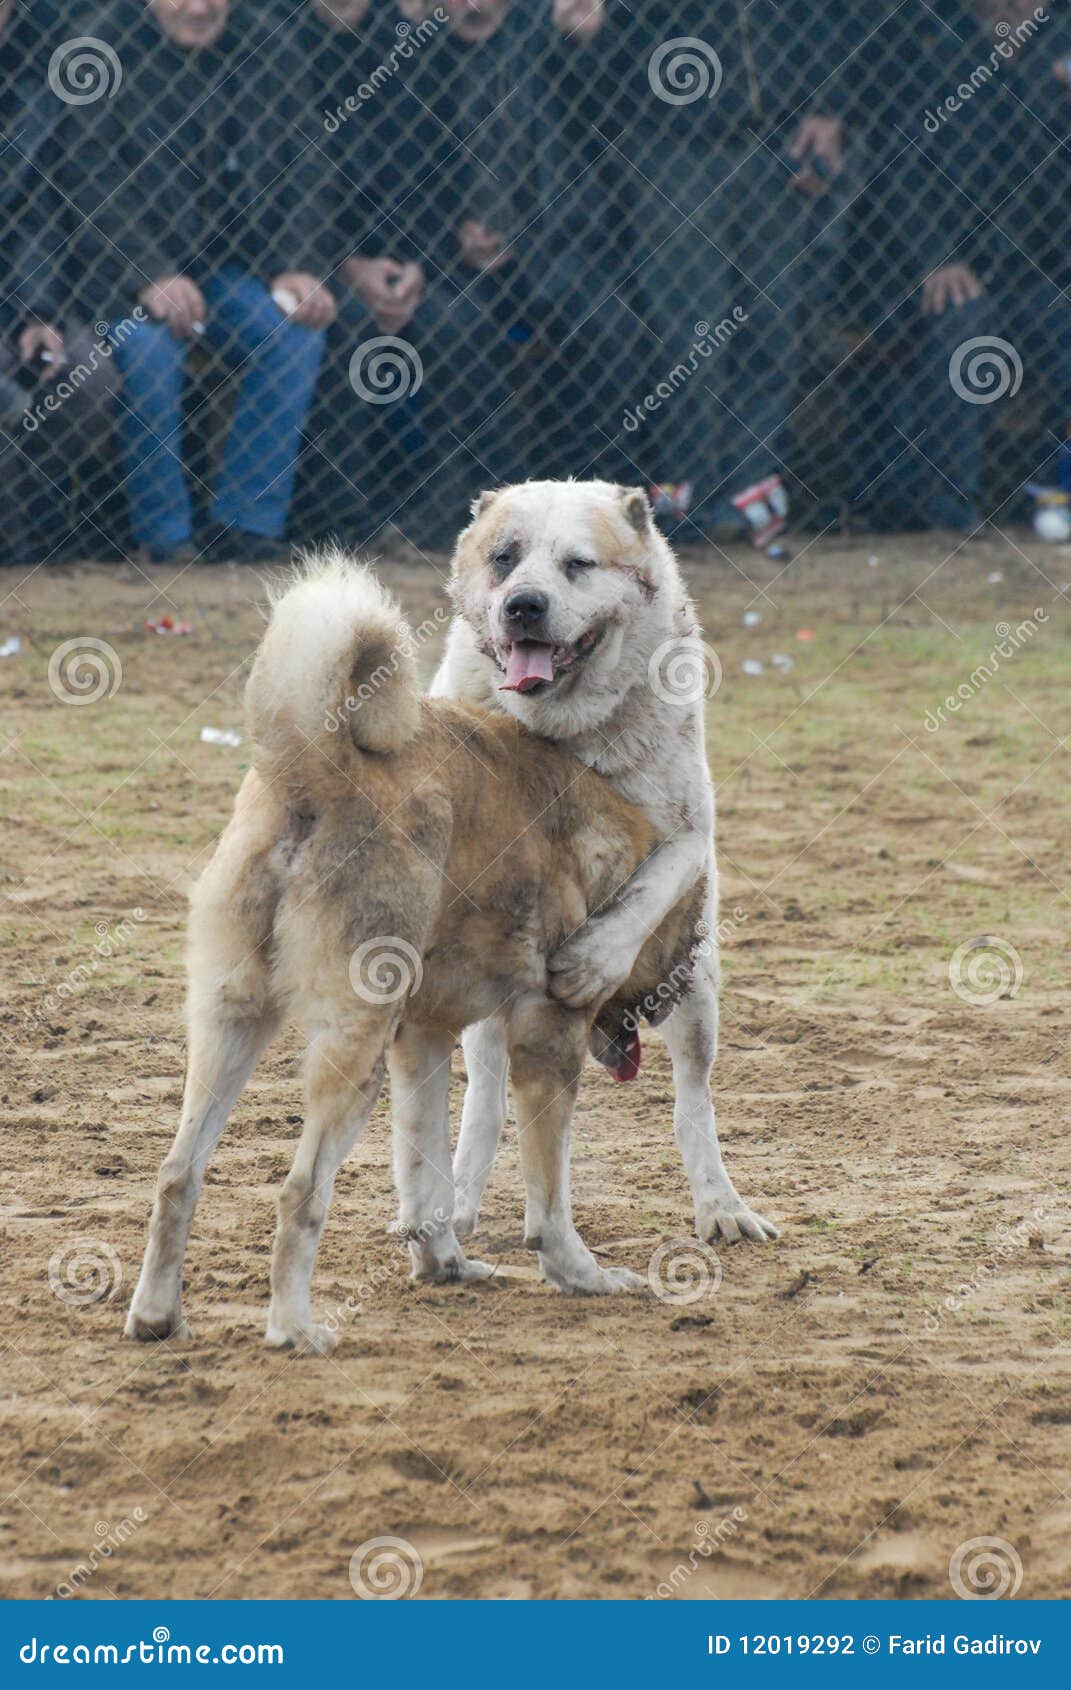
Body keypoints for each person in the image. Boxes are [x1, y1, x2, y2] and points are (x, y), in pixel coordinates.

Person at [45, 0, 336, 563]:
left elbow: (306, 161)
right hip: (118, 278)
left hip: (229, 272)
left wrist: (298, 261)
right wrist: (148, 274)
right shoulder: (100, 48)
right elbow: (87, 178)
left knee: (293, 336)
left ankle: (247, 525)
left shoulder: (268, 45)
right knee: (151, 354)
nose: (199, 9)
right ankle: (167, 540)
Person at [609, 2, 845, 546]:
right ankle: (682, 505)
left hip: (776, 144)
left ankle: (749, 503)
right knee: (690, 338)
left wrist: (828, 107)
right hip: (675, 149)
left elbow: (832, 19)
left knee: (771, 332)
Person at [294, 0, 520, 546]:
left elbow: (439, 169)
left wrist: (417, 268)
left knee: (459, 325)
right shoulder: (281, 44)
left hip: (413, 262)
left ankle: (462, 513)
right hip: (318, 265)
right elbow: (286, 189)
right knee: (342, 329)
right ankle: (341, 520)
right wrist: (347, 267)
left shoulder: (410, 49)